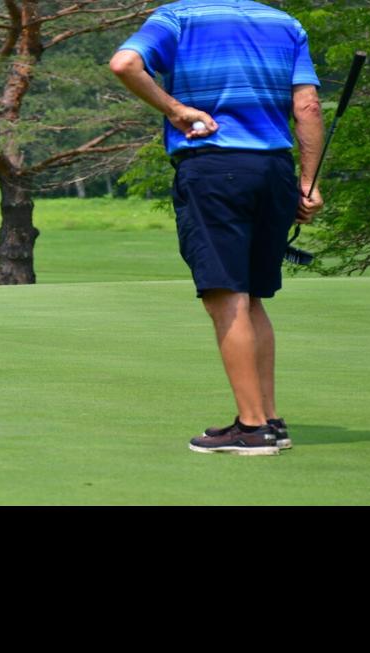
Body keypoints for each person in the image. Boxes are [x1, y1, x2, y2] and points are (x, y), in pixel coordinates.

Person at [111, 0, 325, 455]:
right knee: (252, 296)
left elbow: (125, 63)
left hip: (214, 168)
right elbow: (307, 105)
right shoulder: (283, 22)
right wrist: (307, 182)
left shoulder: (178, 16)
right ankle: (268, 419)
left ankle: (251, 429)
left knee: (227, 296)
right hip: (274, 171)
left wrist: (173, 108)